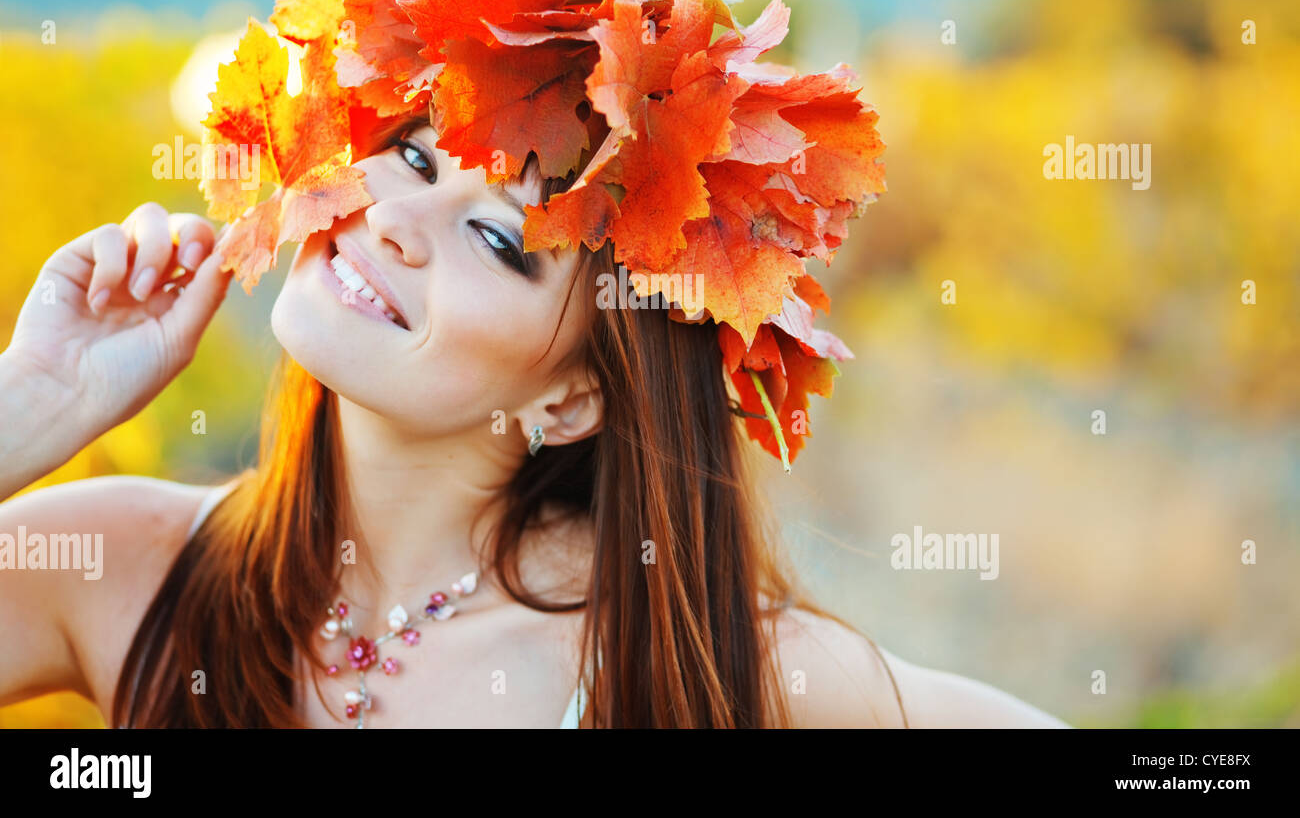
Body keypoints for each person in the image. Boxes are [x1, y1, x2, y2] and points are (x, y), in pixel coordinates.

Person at [0, 117, 1066, 728]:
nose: (396, 219)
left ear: (573, 395)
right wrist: (31, 404)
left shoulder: (682, 662)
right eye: (414, 158)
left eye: (498, 239)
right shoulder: (119, 563)